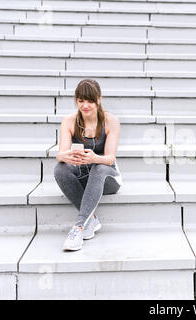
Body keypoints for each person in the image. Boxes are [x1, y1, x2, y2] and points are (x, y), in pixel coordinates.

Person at [54, 79, 121, 251]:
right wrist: (65, 156)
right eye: (81, 100)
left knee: (98, 168)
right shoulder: (69, 121)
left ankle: (79, 227)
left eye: (90, 101)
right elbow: (60, 154)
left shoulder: (110, 120)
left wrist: (94, 158)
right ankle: (91, 220)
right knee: (60, 169)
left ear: (99, 99)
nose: (85, 105)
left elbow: (110, 159)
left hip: (107, 176)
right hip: (83, 175)